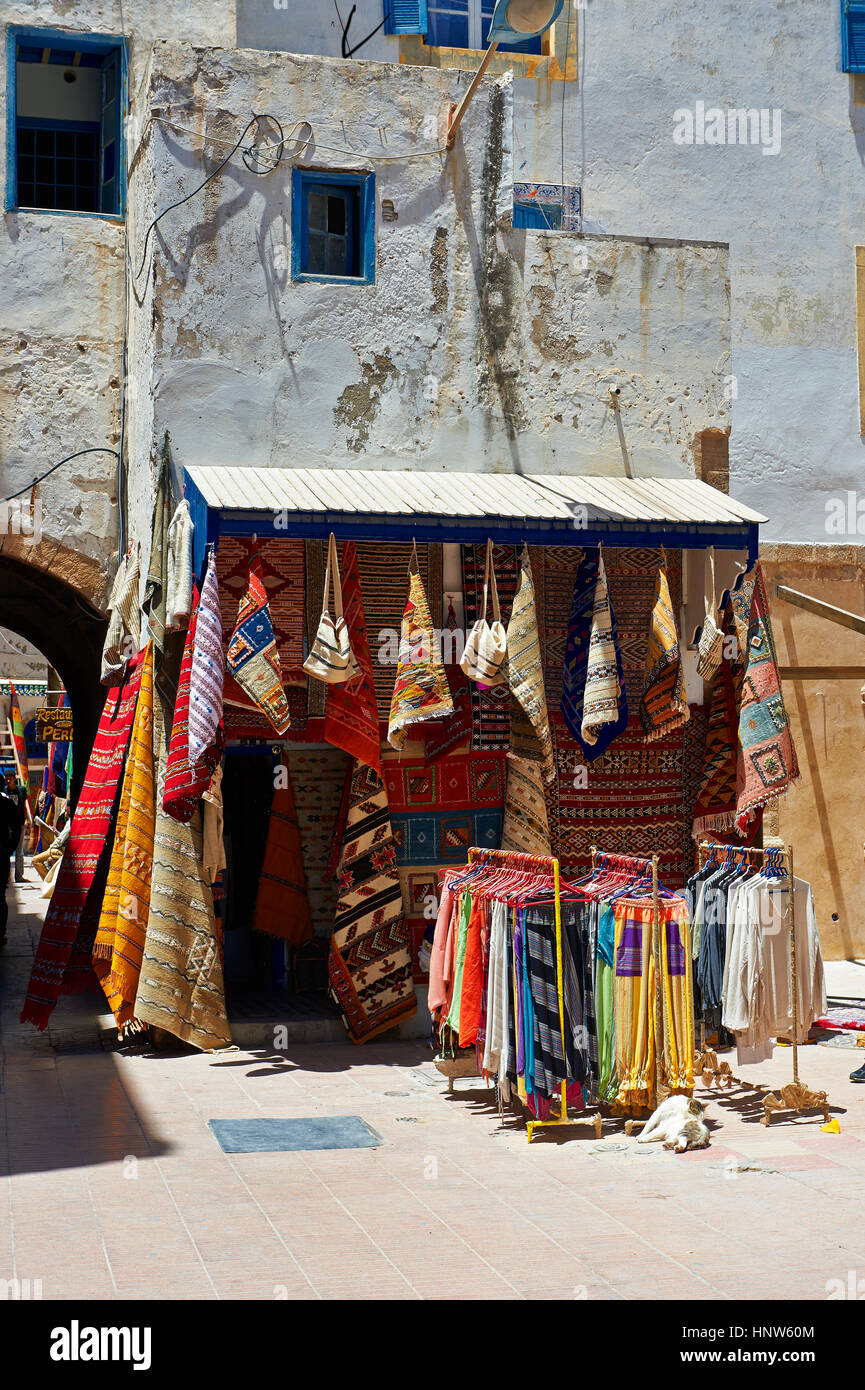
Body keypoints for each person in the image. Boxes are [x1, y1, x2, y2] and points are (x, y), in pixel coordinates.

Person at [0, 778, 24, 947]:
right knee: (0, 896)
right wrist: (9, 849)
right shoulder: (7, 805)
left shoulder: (7, 805)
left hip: (2, 854)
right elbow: (16, 829)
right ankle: (0, 934)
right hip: (1, 855)